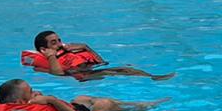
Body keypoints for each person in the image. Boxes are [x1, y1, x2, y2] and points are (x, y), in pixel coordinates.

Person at [0, 78, 165, 111]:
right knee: (105, 104)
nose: (36, 92)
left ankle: (136, 104)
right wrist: (50, 100)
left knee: (82, 97)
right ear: (18, 101)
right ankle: (139, 109)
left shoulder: (19, 107)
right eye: (31, 92)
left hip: (74, 110)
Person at [21, 30, 172, 81]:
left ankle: (152, 76)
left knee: (125, 69)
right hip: (82, 77)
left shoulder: (67, 51)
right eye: (54, 42)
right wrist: (51, 56)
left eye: (59, 40)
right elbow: (58, 74)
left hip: (90, 70)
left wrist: (87, 47)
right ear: (43, 49)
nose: (60, 44)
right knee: (114, 72)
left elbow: (101, 62)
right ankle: (153, 77)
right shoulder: (40, 66)